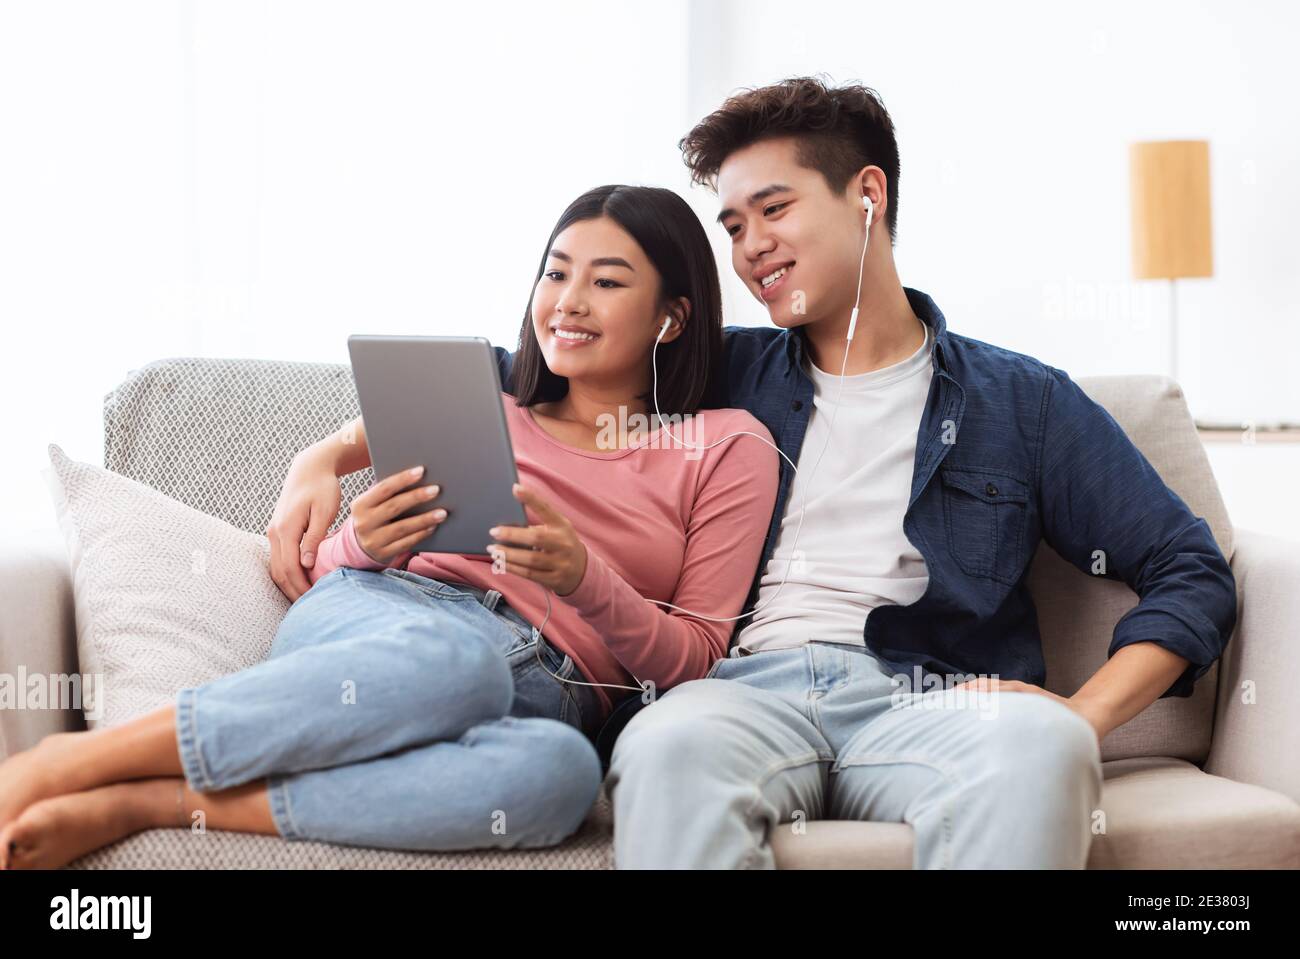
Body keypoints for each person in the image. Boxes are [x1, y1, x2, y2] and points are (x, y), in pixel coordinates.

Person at [264, 78, 1238, 871]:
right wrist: (328, 455)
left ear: (867, 197)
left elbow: (1188, 569)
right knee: (667, 745)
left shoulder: (1022, 402)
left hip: (932, 697)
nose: (750, 246)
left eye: (773, 210)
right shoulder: (719, 367)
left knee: (1042, 747)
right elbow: (509, 374)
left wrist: (1082, 712)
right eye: (732, 224)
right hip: (732, 693)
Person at [0, 184, 778, 869]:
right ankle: (78, 762)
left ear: (671, 318)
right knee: (457, 660)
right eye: (556, 271)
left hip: (549, 688)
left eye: (606, 281)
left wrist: (585, 580)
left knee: (559, 777)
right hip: (387, 624)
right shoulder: (480, 397)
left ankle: (152, 801)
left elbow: (694, 662)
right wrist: (361, 541)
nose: (567, 301)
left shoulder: (726, 444)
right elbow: (329, 569)